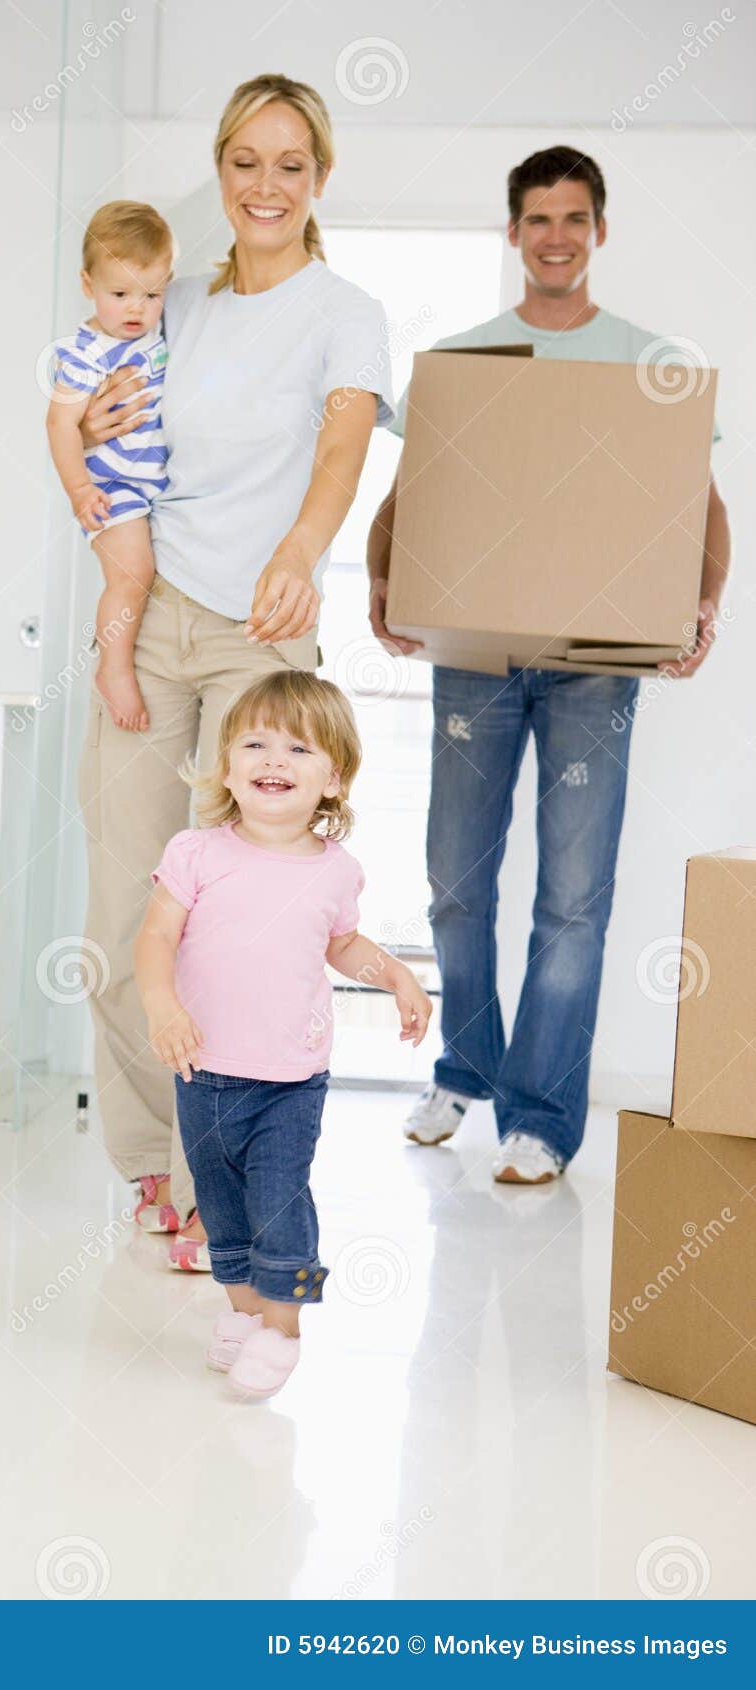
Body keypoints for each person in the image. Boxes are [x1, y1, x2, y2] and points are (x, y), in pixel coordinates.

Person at [77, 74, 396, 1266]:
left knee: (239, 922)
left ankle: (219, 1174)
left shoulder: (343, 311)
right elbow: (99, 418)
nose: (266, 185)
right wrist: (91, 423)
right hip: (153, 614)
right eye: (245, 162)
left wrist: (301, 552)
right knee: (124, 910)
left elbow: (342, 443)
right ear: (219, 171)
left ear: (319, 177)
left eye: (289, 164)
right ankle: (151, 1164)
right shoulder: (179, 305)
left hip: (261, 626)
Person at [367, 146, 731, 1186]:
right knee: (453, 885)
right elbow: (411, 496)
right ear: (513, 232)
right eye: (538, 219)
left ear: (598, 231)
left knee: (571, 901)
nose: (555, 237)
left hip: (591, 668)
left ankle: (539, 1119)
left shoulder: (646, 361)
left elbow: (696, 503)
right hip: (474, 656)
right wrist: (381, 582)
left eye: (574, 219)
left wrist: (700, 604)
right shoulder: (463, 359)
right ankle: (464, 1070)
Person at [134, 671, 432, 1397]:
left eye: (298, 749)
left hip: (289, 1083)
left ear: (334, 780)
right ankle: (244, 1314)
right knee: (222, 1210)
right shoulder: (195, 853)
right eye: (256, 744)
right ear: (227, 765)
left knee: (279, 1201)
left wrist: (395, 974)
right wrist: (162, 1005)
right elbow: (155, 938)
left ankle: (283, 1329)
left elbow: (342, 945)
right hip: (203, 1073)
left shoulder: (335, 871)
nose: (274, 759)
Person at [46, 201, 173, 732]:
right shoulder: (85, 354)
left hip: (153, 485)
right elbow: (60, 424)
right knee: (132, 575)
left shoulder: (154, 332)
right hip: (111, 485)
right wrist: (80, 490)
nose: (136, 308)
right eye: (119, 294)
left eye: (151, 294)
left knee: (147, 576)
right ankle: (113, 668)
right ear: (88, 284)